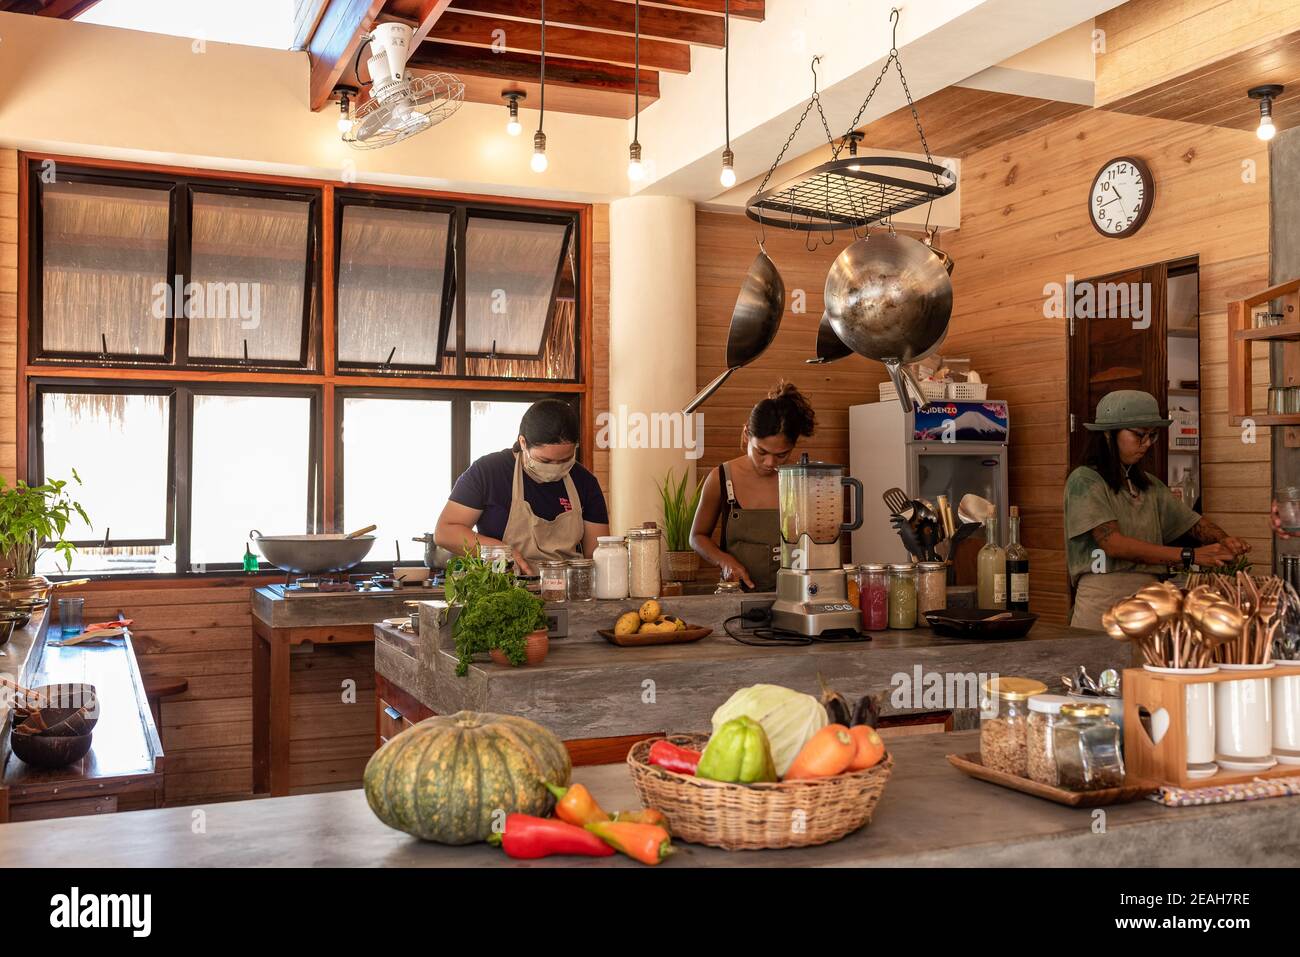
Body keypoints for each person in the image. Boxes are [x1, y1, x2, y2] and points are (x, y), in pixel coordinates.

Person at [1065, 389, 1250, 628]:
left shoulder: (1150, 484)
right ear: (1108, 435)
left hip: (1152, 598)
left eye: (1152, 436)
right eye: (1140, 435)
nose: (1147, 444)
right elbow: (1112, 543)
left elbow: (1192, 523)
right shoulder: (1085, 480)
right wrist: (1189, 555)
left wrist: (1224, 540)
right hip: (1101, 599)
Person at [434, 399, 609, 575]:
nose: (556, 467)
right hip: (503, 591)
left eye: (565, 460)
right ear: (523, 443)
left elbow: (596, 554)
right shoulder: (489, 472)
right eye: (545, 460)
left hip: (567, 592)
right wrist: (499, 550)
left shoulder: (585, 482)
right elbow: (445, 531)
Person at [689, 382, 816, 591]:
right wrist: (724, 560)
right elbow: (697, 536)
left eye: (781, 455)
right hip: (737, 597)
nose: (770, 463)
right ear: (747, 433)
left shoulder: (799, 481)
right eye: (761, 452)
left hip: (793, 595)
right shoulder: (721, 478)